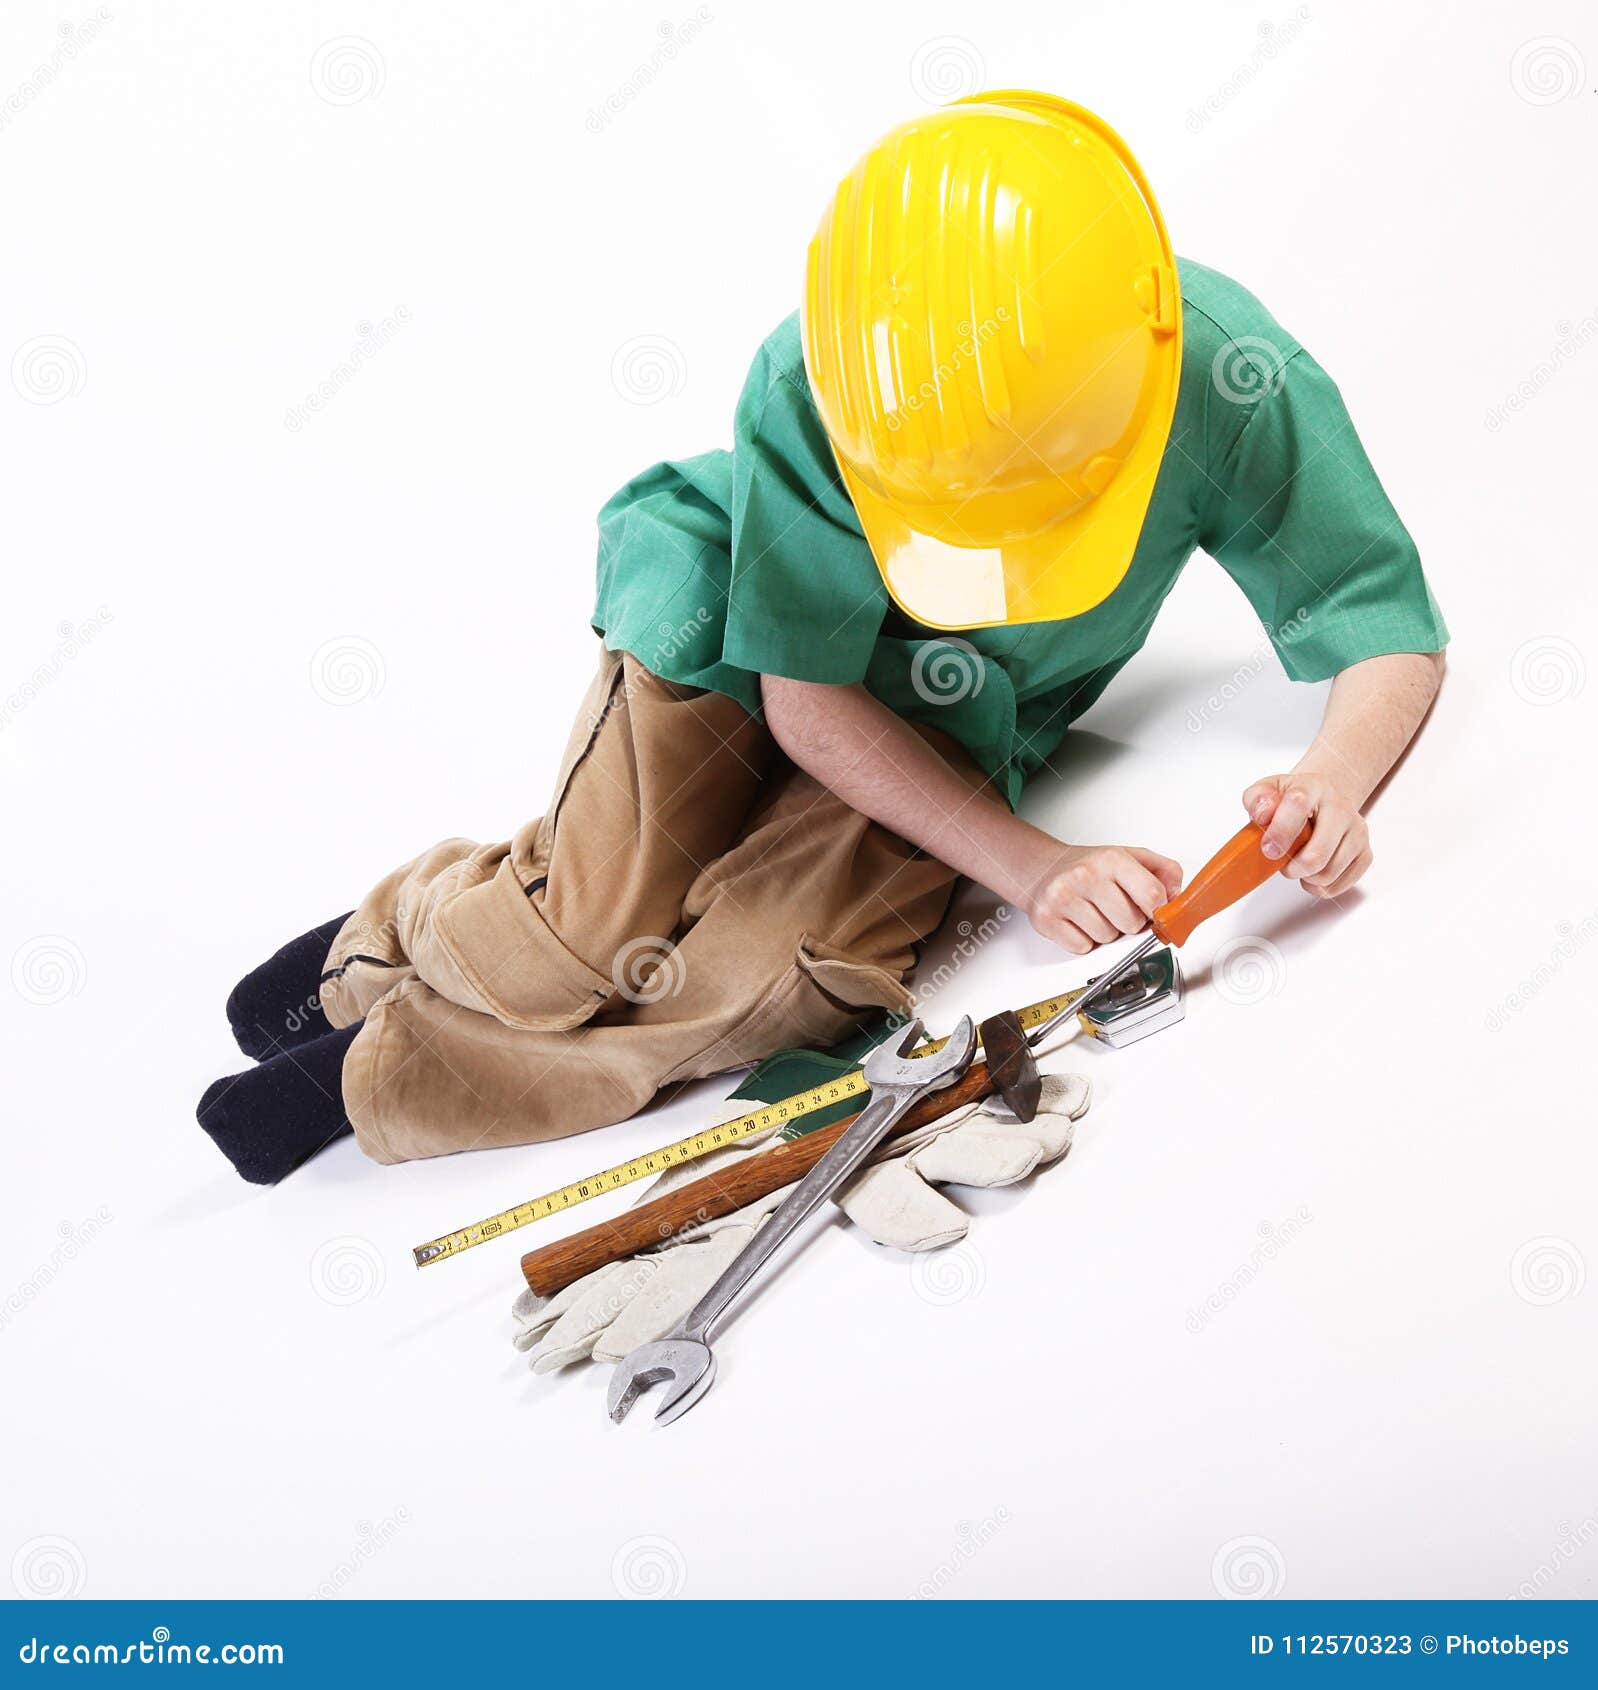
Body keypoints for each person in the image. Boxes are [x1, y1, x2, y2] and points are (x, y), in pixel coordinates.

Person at [198, 90, 1447, 1183]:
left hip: (943, 720)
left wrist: (1330, 783)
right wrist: (1026, 868)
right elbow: (805, 698)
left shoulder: (1227, 376)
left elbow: (1380, 616)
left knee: (754, 987)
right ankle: (387, 938)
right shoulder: (822, 373)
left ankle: (376, 1071)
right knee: (578, 930)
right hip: (737, 625)